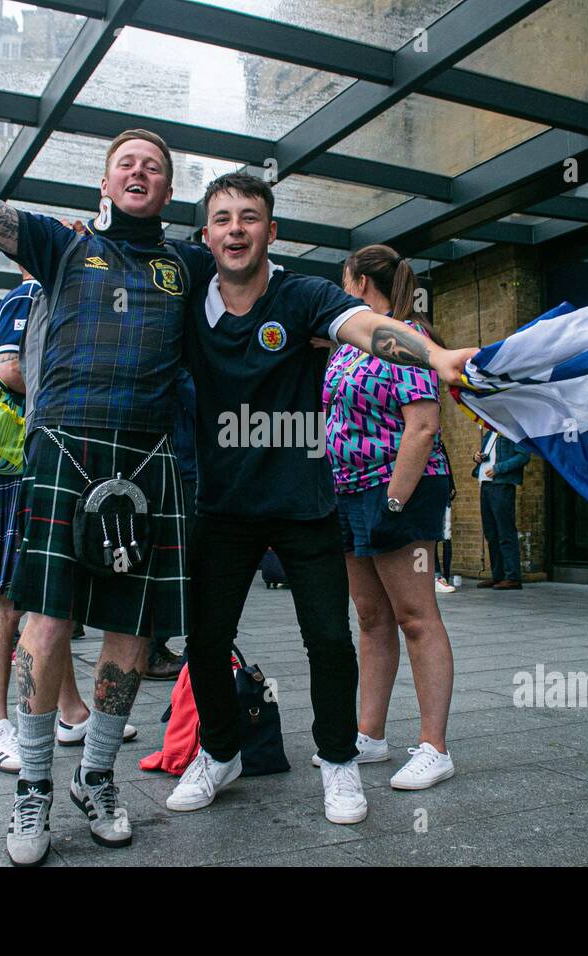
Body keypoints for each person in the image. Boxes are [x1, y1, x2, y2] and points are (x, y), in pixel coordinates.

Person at [0, 53, 210, 862]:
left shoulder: (188, 264)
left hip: (146, 465)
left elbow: (259, 299)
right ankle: (32, 790)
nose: (140, 172)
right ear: (106, 184)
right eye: (127, 163)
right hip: (62, 450)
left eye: (154, 167)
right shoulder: (61, 244)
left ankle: (94, 777)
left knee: (132, 633)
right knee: (48, 622)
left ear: (166, 192)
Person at [165, 174, 477, 823]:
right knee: (204, 636)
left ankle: (339, 764)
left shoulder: (302, 296)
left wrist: (435, 354)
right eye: (222, 218)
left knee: (331, 640)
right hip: (224, 505)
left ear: (270, 231)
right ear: (207, 236)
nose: (235, 228)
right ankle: (220, 753)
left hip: (307, 502)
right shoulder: (192, 297)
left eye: (249, 217)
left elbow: (366, 327)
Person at [0, 274, 135, 774]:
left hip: (47, 456)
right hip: (22, 459)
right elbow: (11, 368)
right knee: (7, 598)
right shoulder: (27, 293)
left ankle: (71, 711)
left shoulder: (60, 293)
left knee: (49, 596)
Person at [321, 243, 456, 790]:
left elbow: (422, 426)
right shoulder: (347, 343)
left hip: (401, 490)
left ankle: (434, 746)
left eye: (342, 280)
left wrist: (395, 503)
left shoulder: (406, 337)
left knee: (416, 616)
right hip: (352, 494)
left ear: (358, 281)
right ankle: (369, 734)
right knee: (371, 618)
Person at [143, 369, 195, 682]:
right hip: (183, 464)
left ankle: (155, 646)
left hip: (181, 462)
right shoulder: (181, 363)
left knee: (178, 561)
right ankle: (151, 649)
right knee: (184, 562)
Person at [473, 424, 530, 590]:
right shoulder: (490, 433)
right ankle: (498, 575)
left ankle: (512, 577)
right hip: (485, 484)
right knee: (491, 532)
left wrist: (499, 468)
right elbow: (488, 455)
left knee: (505, 531)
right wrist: (477, 456)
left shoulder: (513, 430)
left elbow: (524, 456)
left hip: (502, 485)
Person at [435, 476, 457, 594]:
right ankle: (435, 576)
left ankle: (444, 577)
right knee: (426, 540)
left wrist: (452, 486)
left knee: (446, 537)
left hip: (441, 493)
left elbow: (446, 465)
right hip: (425, 497)